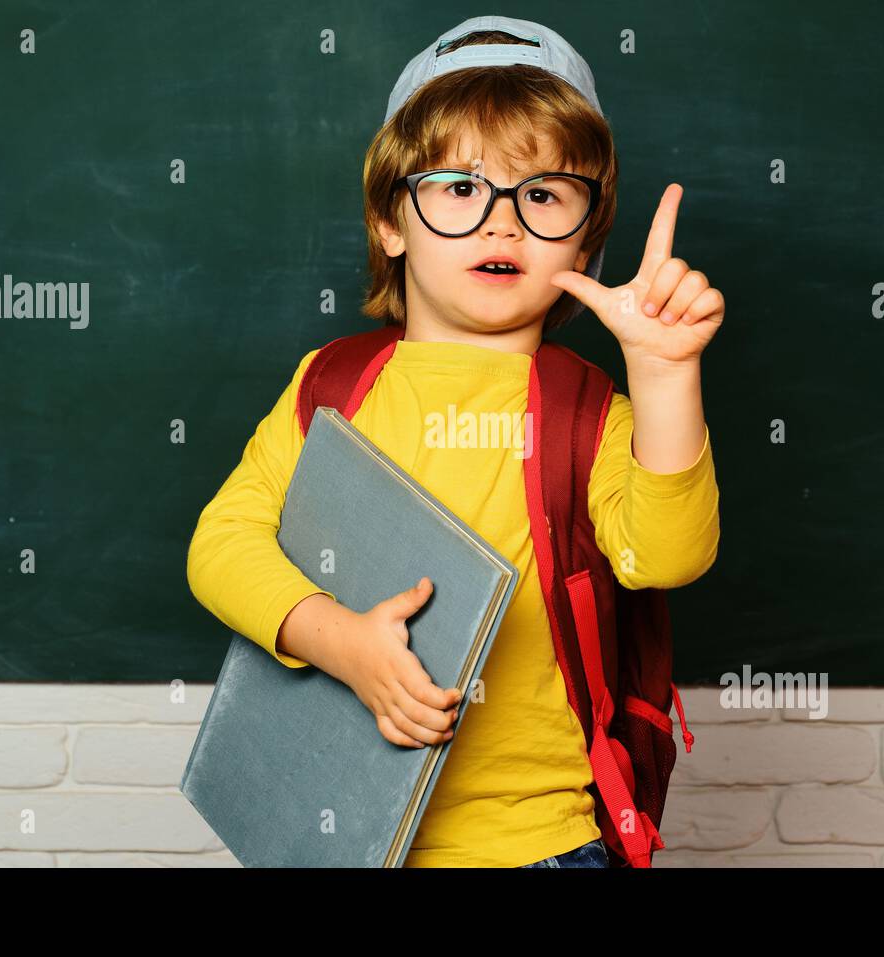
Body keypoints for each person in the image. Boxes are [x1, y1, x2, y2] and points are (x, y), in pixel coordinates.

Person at [186, 15, 723, 868]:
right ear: (391, 220)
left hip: (539, 845)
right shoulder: (330, 384)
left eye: (543, 193)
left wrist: (663, 377)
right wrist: (338, 640)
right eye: (460, 187)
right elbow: (220, 544)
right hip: (340, 837)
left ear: (586, 238)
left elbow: (665, 555)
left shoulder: (591, 410)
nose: (502, 222)